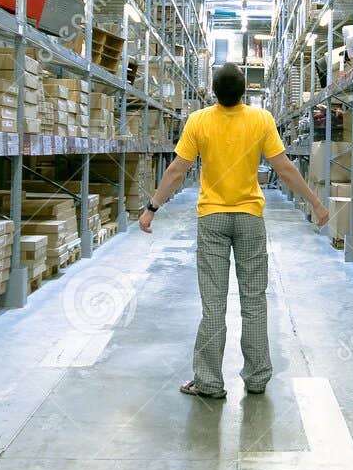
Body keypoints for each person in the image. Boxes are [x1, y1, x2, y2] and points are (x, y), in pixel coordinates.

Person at [140, 63, 328, 400]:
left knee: (213, 305)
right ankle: (257, 379)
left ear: (213, 92)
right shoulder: (261, 119)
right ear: (244, 92)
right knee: (254, 302)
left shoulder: (199, 121)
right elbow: (284, 168)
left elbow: (177, 169)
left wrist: (152, 207)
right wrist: (316, 202)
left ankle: (210, 382)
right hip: (249, 218)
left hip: (212, 218)